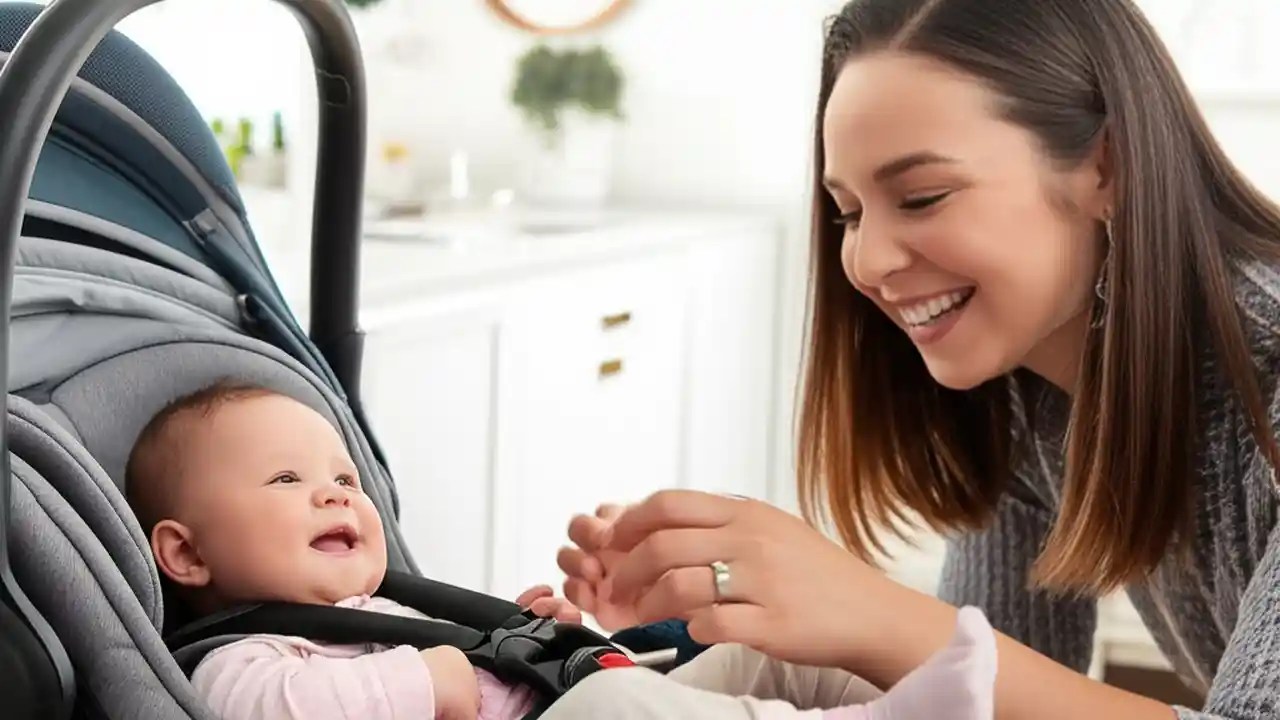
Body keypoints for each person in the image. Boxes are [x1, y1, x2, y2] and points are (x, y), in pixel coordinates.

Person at [556, 2, 1280, 720]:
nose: (867, 262)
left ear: (1106, 165)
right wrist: (697, 632)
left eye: (922, 196)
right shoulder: (1030, 390)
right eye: (849, 213)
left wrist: (872, 612)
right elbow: (988, 696)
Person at [124, 381, 1000, 720]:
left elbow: (471, 666)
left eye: (345, 476)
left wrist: (532, 636)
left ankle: (878, 692)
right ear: (186, 554)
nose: (336, 492)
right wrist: (423, 679)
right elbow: (273, 711)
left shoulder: (381, 609)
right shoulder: (237, 654)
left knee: (747, 658)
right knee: (619, 712)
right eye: (285, 481)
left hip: (576, 698)